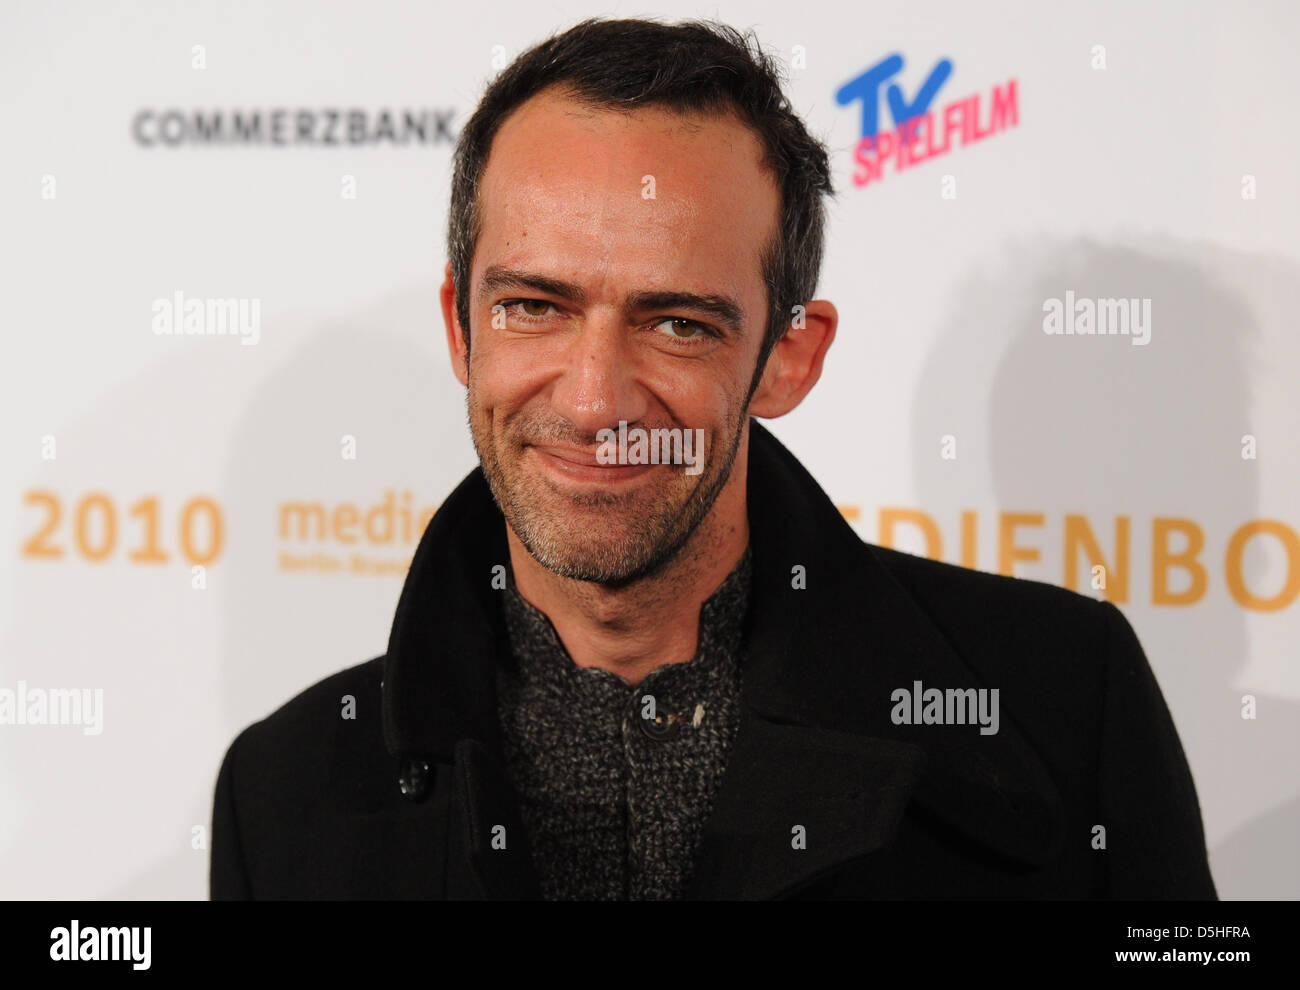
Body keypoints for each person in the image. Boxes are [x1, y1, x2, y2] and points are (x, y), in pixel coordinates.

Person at [210, 16, 1217, 900]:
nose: (596, 399)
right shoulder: (286, 791)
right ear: (461, 329)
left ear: (787, 357)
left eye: (678, 324)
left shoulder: (1056, 706)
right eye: (534, 307)